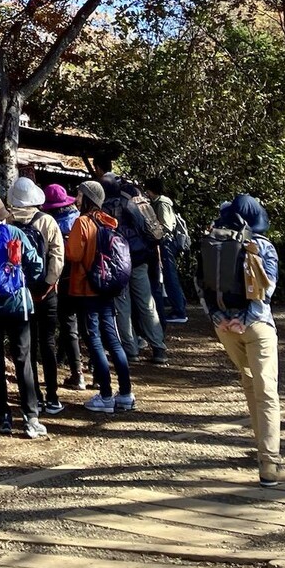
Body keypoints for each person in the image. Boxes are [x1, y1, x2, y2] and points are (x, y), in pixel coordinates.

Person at [199, 193, 285, 487]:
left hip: (224, 328)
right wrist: (243, 320)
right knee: (267, 391)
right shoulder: (262, 245)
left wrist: (219, 318)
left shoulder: (214, 241)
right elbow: (265, 292)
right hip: (255, 326)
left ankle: (262, 448)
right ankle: (269, 463)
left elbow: (199, 282)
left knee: (248, 382)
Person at [0, 194, 48, 439]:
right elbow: (36, 265)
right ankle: (30, 417)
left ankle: (3, 417)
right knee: (23, 359)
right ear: (4, 214)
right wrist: (25, 280)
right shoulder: (15, 234)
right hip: (17, 305)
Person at [66, 180, 134, 414]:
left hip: (88, 288)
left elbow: (74, 254)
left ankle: (105, 395)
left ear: (88, 198)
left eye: (79, 194)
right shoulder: (109, 221)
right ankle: (125, 394)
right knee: (113, 339)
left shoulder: (82, 222)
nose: (76, 198)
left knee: (94, 339)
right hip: (108, 288)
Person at [8, 177, 66, 414]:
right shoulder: (48, 221)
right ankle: (52, 396)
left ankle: (33, 397)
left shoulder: (8, 222)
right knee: (48, 342)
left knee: (26, 346)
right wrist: (48, 285)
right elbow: (57, 257)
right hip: (47, 292)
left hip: (20, 293)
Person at [103, 173, 168, 365]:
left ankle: (130, 351)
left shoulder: (102, 209)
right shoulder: (131, 203)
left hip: (116, 264)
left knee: (122, 307)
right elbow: (145, 229)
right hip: (138, 259)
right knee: (146, 303)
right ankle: (158, 348)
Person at [44, 182, 88, 392]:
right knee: (89, 326)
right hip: (87, 281)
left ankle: (77, 374)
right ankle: (98, 375)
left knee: (69, 326)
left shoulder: (50, 225)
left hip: (64, 281)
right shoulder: (80, 220)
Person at [145, 176, 189, 324]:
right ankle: (179, 305)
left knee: (170, 276)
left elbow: (167, 226)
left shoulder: (162, 203)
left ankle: (179, 311)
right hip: (167, 243)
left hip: (167, 242)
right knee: (170, 275)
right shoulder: (161, 202)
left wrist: (153, 230)